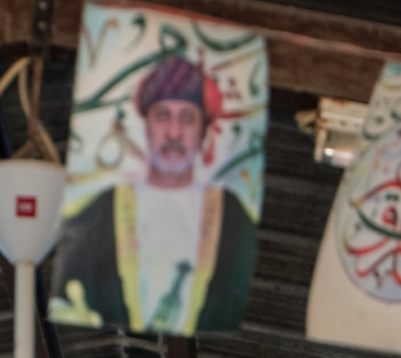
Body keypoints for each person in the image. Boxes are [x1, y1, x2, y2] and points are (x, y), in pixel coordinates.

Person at [50, 53, 257, 335]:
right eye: (162, 117)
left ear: (203, 131)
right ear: (145, 124)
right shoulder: (103, 209)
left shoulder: (232, 215)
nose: (174, 133)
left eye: (187, 119)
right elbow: (66, 292)